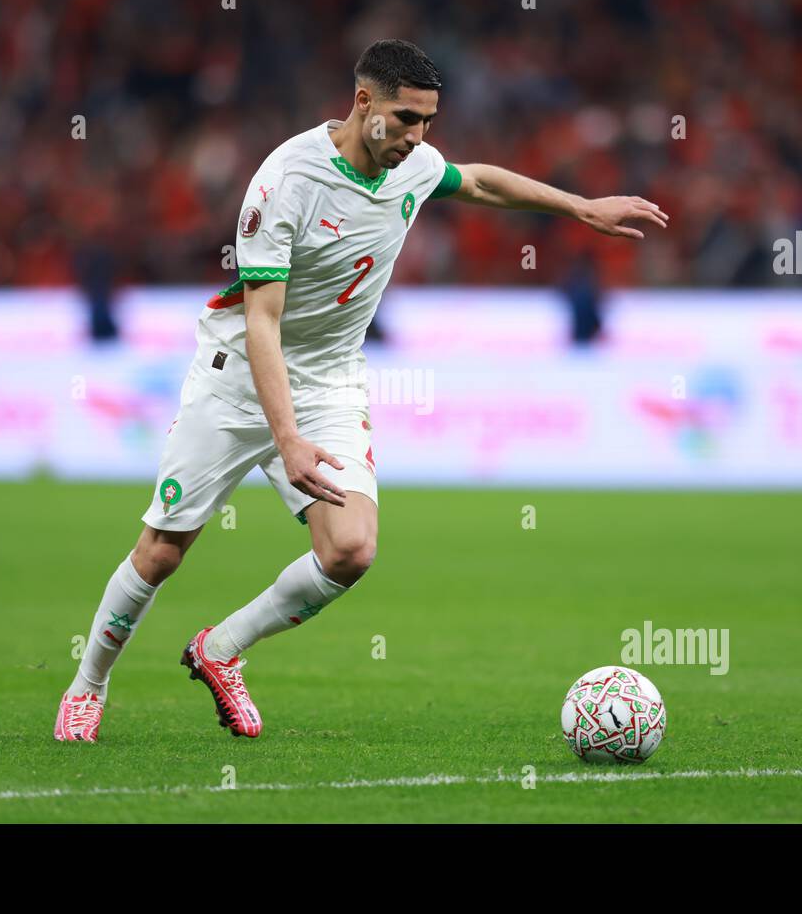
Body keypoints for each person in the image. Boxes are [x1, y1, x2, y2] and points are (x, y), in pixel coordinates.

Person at [54, 38, 668, 742]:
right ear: (363, 103)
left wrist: (581, 208)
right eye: (406, 119)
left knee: (350, 549)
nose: (418, 137)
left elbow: (480, 182)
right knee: (162, 550)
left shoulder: (415, 166)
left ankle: (219, 649)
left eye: (429, 122)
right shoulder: (286, 180)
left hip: (329, 380)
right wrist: (287, 440)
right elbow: (262, 320)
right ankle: (87, 684)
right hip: (237, 377)